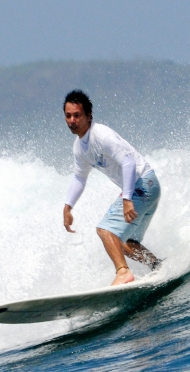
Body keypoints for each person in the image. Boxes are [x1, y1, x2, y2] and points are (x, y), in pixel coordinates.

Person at [62, 90, 161, 285]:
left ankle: (123, 273)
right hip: (146, 187)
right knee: (124, 243)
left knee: (106, 231)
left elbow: (128, 164)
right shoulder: (79, 146)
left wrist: (127, 198)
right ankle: (157, 266)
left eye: (77, 115)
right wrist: (68, 206)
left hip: (143, 184)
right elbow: (80, 178)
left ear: (89, 116)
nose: (72, 120)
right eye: (68, 115)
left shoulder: (102, 136)